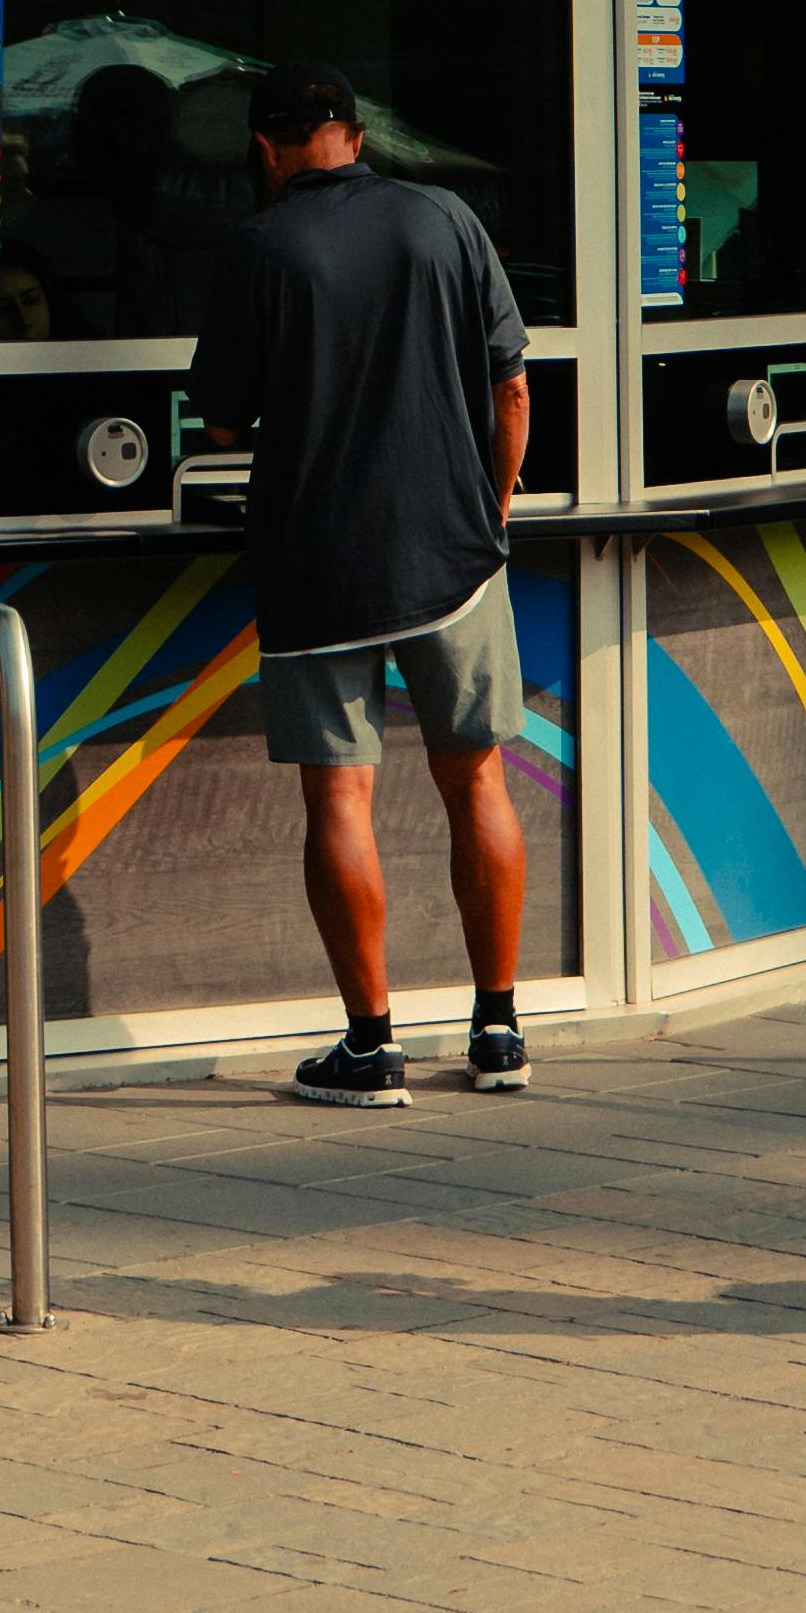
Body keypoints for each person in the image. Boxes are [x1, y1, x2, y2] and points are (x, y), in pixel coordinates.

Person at [185, 57, 534, 1104]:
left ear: (265, 148)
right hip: (454, 553)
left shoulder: (259, 247)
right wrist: (490, 504)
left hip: (319, 556)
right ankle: (498, 1032)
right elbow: (512, 388)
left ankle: (372, 1047)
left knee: (340, 793)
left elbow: (221, 424)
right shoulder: (446, 219)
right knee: (477, 777)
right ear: (358, 135)